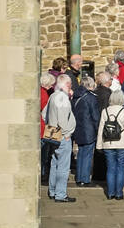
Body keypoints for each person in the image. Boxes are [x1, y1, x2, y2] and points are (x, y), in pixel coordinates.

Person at [46, 74, 77, 202]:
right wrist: (67, 134)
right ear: (68, 84)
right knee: (63, 166)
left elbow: (44, 114)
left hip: (52, 132)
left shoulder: (53, 96)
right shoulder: (62, 98)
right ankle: (60, 194)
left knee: (54, 163)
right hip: (62, 134)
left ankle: (53, 191)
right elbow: (63, 119)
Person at [99, 88, 124, 201]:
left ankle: (110, 193)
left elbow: (101, 129)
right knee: (120, 168)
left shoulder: (105, 111)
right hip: (122, 143)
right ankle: (119, 194)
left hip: (108, 143)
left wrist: (98, 145)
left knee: (110, 168)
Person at [72, 75, 100, 188]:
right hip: (89, 129)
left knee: (81, 153)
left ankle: (79, 177)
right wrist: (98, 129)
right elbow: (95, 116)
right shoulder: (90, 97)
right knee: (87, 154)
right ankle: (85, 178)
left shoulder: (75, 96)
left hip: (78, 128)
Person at [40, 72, 57, 184]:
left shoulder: (43, 92)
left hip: (43, 126)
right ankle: (43, 175)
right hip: (44, 127)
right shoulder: (44, 94)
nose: (52, 86)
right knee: (44, 154)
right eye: (51, 84)